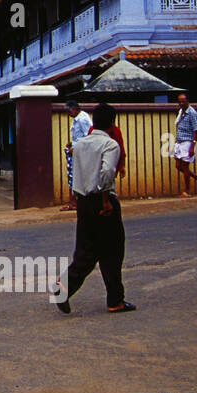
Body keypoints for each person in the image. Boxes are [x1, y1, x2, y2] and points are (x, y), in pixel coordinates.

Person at [55, 103, 135, 315]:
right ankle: (115, 300)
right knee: (113, 251)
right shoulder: (110, 145)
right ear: (112, 123)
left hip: (83, 202)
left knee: (86, 251)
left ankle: (63, 287)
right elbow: (107, 172)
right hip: (103, 201)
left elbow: (76, 174)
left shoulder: (80, 145)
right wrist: (106, 199)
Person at [172, 92, 197, 196]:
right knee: (178, 166)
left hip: (187, 142)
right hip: (179, 141)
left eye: (183, 101)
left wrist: (192, 146)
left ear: (187, 101)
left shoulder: (192, 113)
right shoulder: (181, 112)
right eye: (180, 101)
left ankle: (187, 190)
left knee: (185, 166)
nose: (181, 103)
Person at [62, 100, 93, 210]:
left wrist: (75, 147)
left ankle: (75, 202)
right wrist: (72, 144)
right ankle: (73, 201)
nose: (68, 114)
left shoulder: (83, 119)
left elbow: (88, 136)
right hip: (77, 150)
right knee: (73, 176)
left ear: (74, 109)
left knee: (76, 176)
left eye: (69, 111)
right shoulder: (77, 119)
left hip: (82, 152)